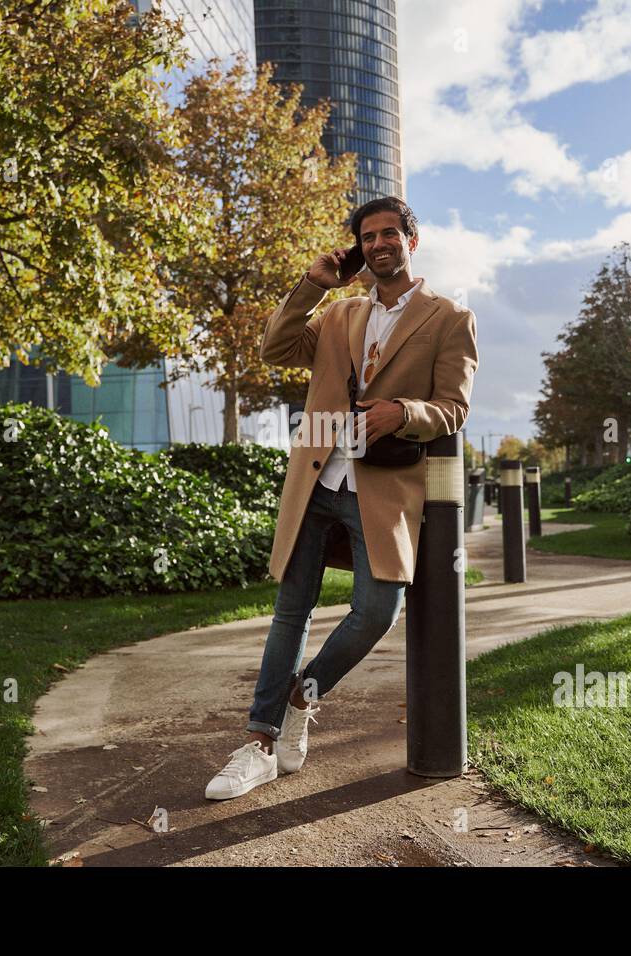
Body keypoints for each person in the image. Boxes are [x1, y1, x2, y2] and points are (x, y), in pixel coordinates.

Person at [205, 196, 479, 800]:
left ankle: (303, 696)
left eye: (389, 234)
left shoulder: (449, 317)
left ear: (411, 240)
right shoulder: (338, 314)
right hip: (315, 480)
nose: (378, 244)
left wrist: (401, 412)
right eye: (368, 236)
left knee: (378, 610)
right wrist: (312, 286)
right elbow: (275, 349)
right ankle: (259, 743)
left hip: (382, 489)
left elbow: (453, 408)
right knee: (291, 611)